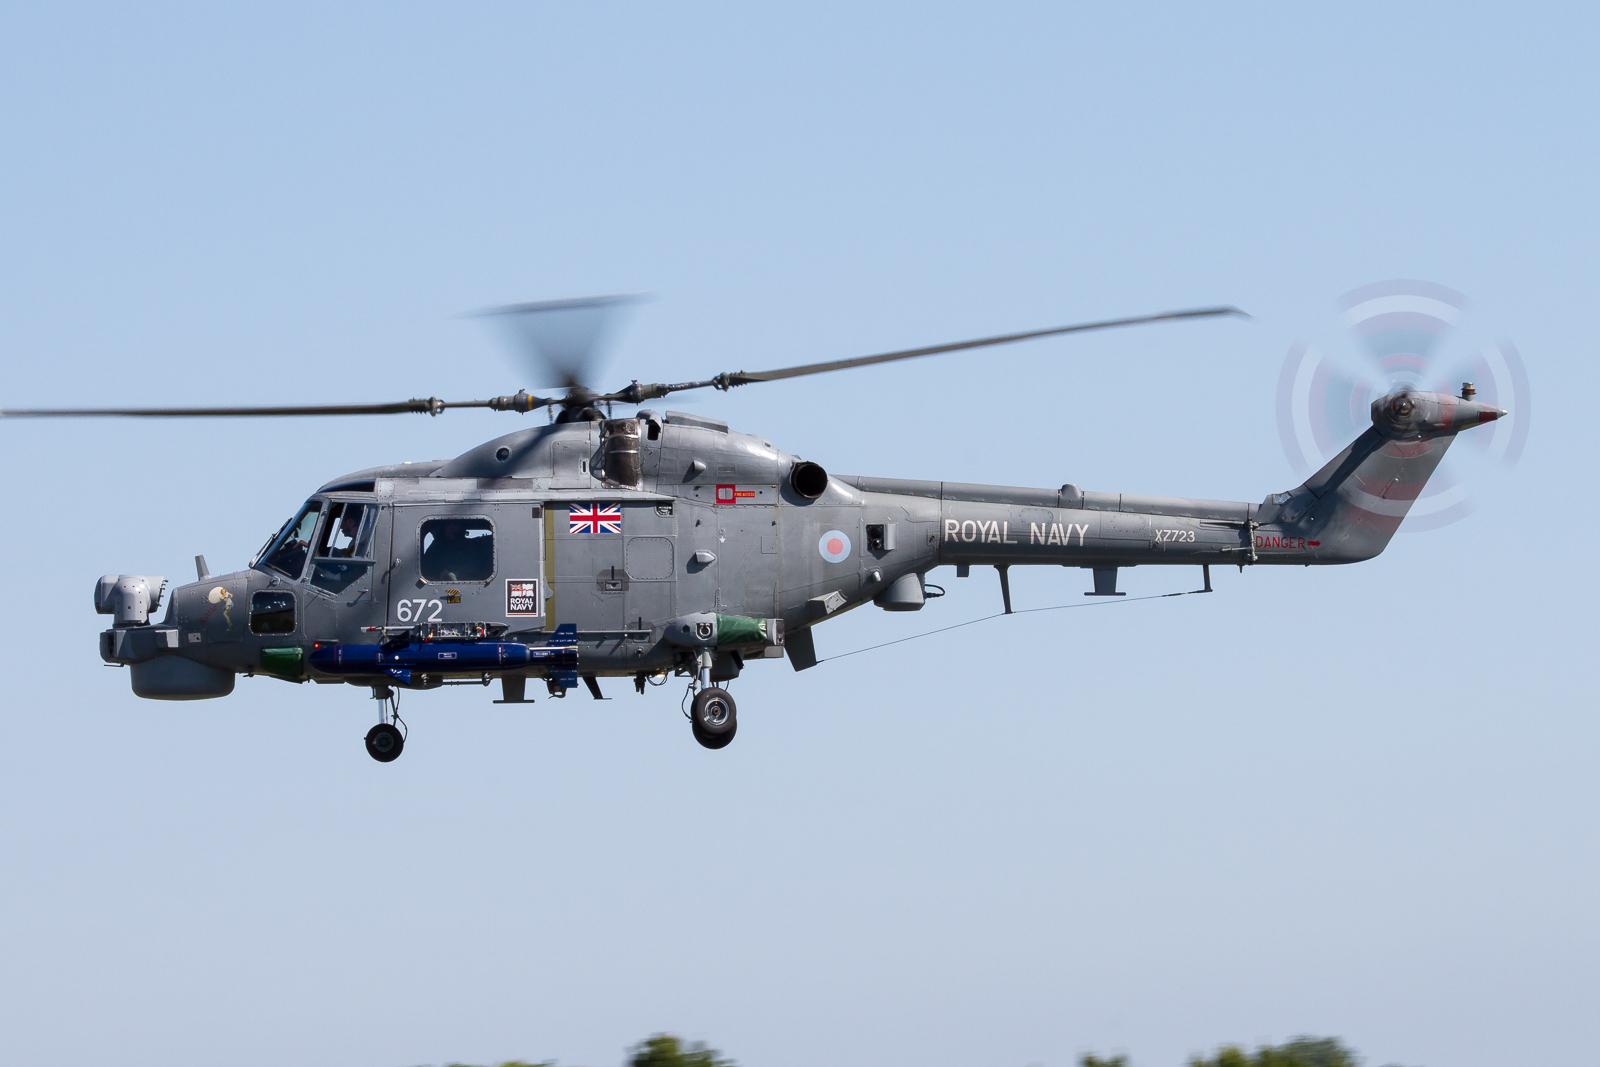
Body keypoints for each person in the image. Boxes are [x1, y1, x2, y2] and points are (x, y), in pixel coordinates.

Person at [421, 518, 492, 581]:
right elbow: (426, 565)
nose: (453, 529)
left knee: (450, 576)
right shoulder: (436, 547)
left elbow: (474, 565)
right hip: (439, 577)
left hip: (465, 576)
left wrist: (450, 569)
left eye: (456, 526)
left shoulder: (468, 545)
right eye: (449, 526)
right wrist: (439, 572)